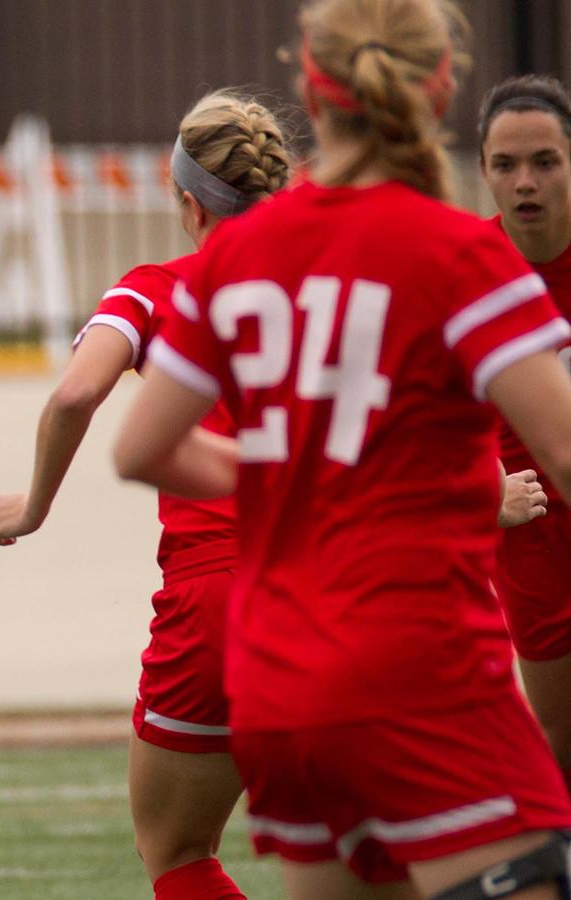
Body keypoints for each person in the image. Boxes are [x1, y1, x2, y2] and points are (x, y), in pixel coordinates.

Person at [111, 0, 571, 896]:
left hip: (285, 676)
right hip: (416, 659)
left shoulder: (238, 258)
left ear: (309, 94)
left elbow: (140, 448)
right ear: (440, 91)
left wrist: (293, 479)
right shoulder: (460, 256)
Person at [0, 90, 290, 900]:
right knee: (379, 849)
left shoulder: (155, 289)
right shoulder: (334, 290)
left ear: (189, 203)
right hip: (344, 587)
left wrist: (33, 507)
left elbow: (73, 397)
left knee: (181, 852)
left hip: (219, 595)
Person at [479, 74, 571, 792]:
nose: (525, 181)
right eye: (505, 165)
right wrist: (484, 488)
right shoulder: (463, 270)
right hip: (533, 536)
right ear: (482, 171)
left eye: (545, 160)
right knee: (561, 756)